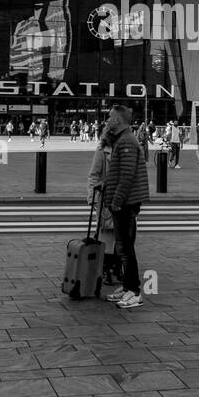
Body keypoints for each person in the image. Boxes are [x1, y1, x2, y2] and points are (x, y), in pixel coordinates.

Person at [102, 103, 150, 309]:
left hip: (126, 203)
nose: (107, 120)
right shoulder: (122, 139)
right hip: (124, 202)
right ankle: (128, 286)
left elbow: (127, 175)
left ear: (118, 120)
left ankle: (134, 291)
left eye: (110, 117)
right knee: (122, 247)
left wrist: (116, 202)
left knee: (126, 247)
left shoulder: (127, 141)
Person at [87, 128, 121, 287]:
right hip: (106, 199)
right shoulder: (102, 151)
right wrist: (92, 198)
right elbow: (94, 174)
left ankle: (117, 268)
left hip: (122, 199)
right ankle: (106, 269)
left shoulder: (126, 150)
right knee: (106, 234)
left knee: (121, 236)